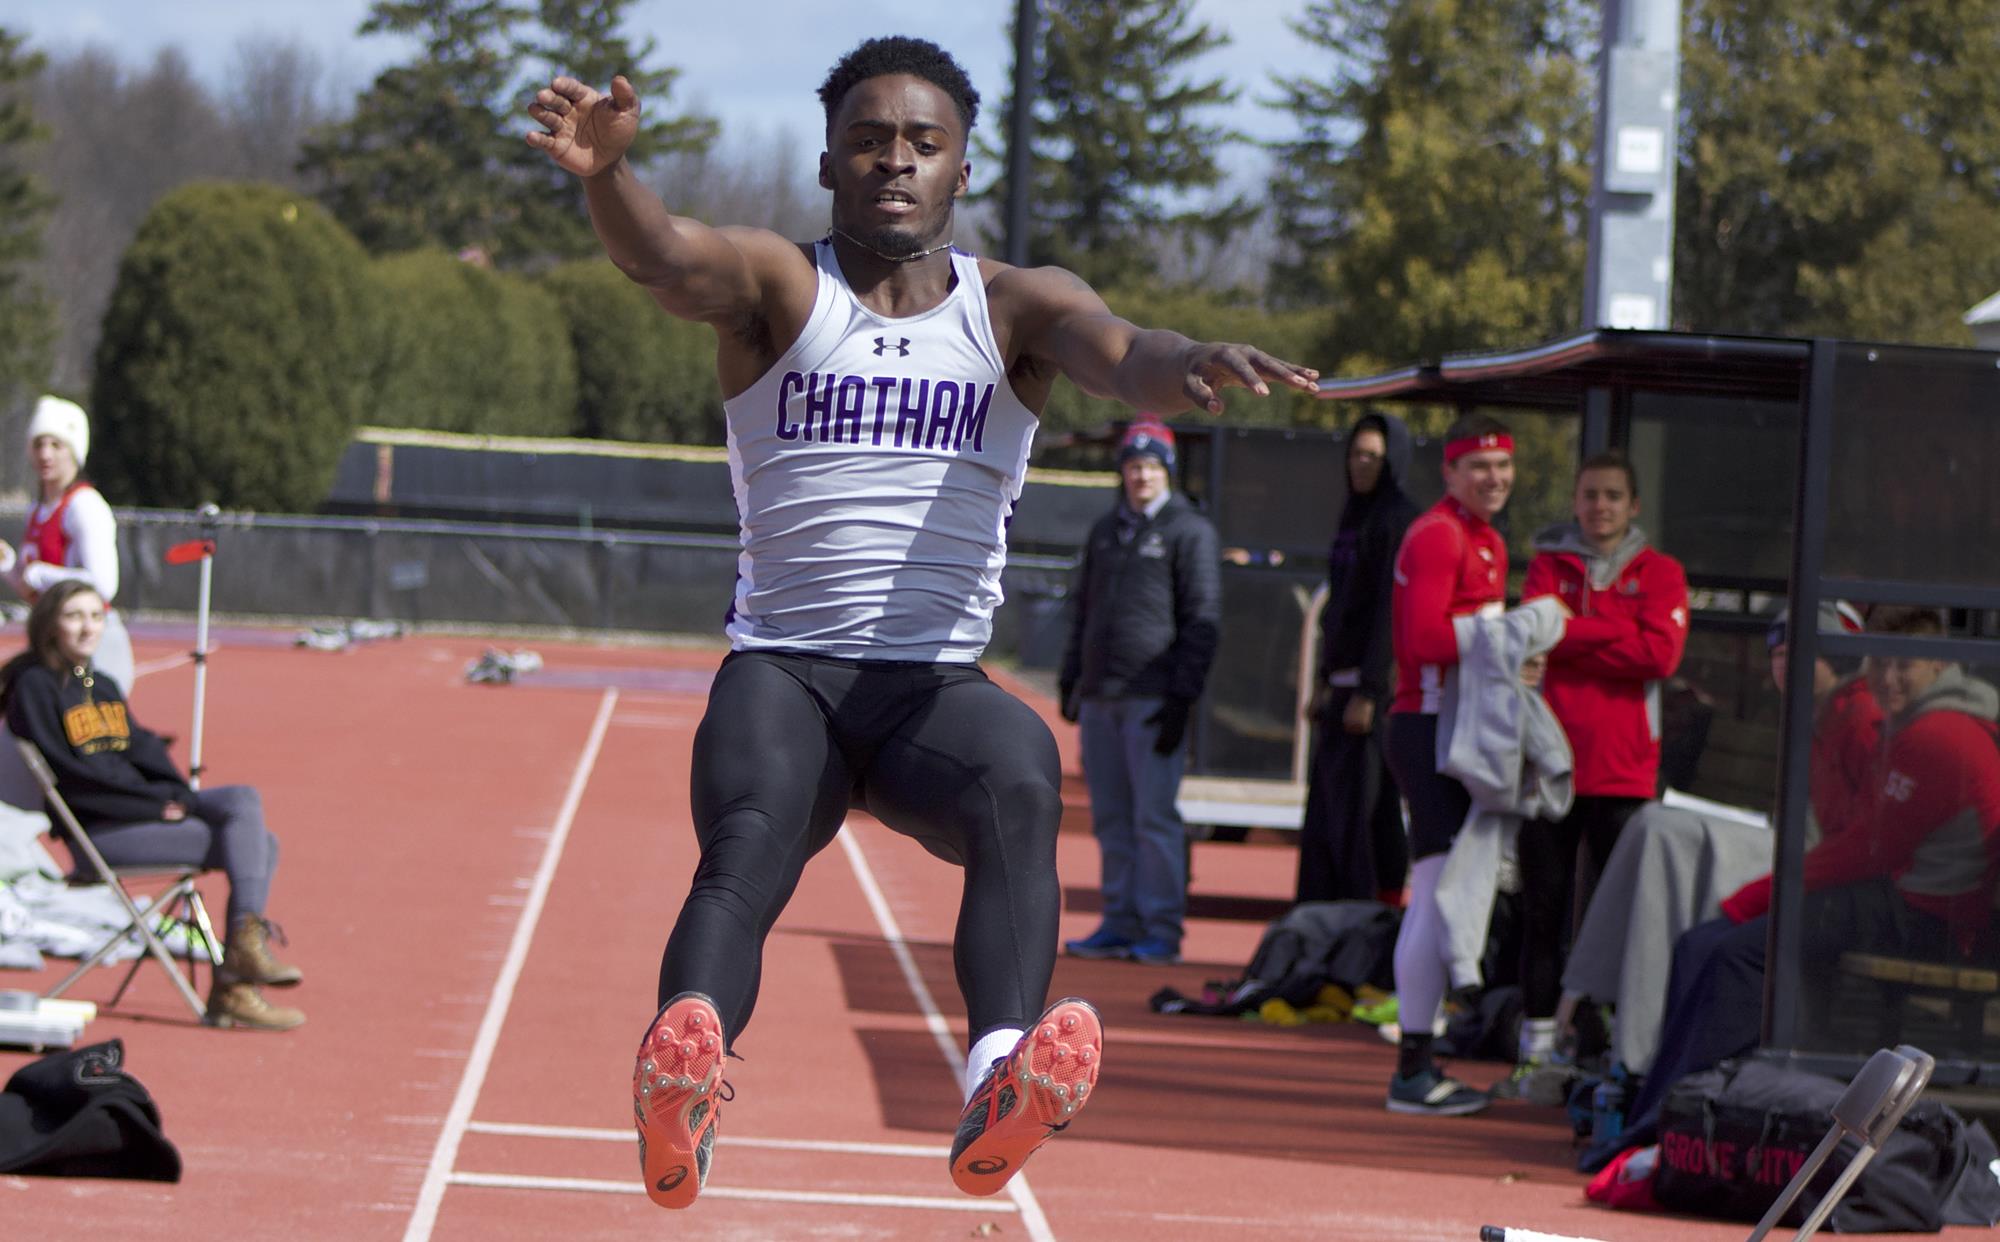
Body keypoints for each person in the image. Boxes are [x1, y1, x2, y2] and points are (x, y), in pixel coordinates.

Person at [524, 36, 1319, 1209]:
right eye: (867, 139)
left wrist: (1189, 360)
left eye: (920, 142)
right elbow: (669, 258)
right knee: (746, 844)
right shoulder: (781, 289)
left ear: (959, 167)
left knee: (1022, 776)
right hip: (785, 677)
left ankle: (1000, 1074)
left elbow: (1123, 355)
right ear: (827, 163)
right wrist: (609, 178)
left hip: (930, 692)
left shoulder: (1014, 308)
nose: (893, 159)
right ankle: (683, 1068)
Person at [1603, 606, 2000, 1158]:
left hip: (1931, 918)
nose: (1888, 679)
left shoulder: (1938, 735)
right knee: (1712, 944)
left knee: (1740, 953)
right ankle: (1663, 1111)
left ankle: (1683, 1123)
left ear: (1938, 664)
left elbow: (1868, 849)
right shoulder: (1912, 724)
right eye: (1879, 664)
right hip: (1906, 901)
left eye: (1904, 665)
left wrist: (1762, 896)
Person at [0, 580, 303, 1031]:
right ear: (49, 624)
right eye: (74, 616)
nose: (88, 628)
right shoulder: (34, 686)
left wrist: (177, 796)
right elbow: (74, 775)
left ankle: (240, 962)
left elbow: (141, 750)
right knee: (258, 838)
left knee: (245, 809)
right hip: (102, 834)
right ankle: (235, 980)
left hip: (139, 813)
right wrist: (154, 803)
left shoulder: (100, 683)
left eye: (96, 617)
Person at [1503, 452, 1688, 1094]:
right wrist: (1616, 633)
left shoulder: (1661, 572)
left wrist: (1571, 635)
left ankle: (1608, 1045)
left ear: (1633, 505)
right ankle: (1536, 1046)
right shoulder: (1549, 566)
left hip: (1624, 770)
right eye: (1590, 495)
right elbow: (1533, 637)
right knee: (1543, 909)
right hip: (1551, 764)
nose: (1600, 506)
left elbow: (1659, 655)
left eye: (1612, 496)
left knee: (1616, 918)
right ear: (1576, 502)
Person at [1380, 414, 1517, 1116]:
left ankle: (1419, 1058)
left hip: (1456, 730)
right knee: (1439, 891)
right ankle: (1412, 1068)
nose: (1494, 478)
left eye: (1503, 466)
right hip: (1431, 729)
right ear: (1451, 472)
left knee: (1444, 891)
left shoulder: (1486, 538)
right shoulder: (1439, 533)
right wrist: (1509, 634)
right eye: (1479, 467)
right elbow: (1423, 640)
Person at [1058, 418, 1220, 966]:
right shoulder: (1106, 531)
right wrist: (1072, 676)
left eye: (1150, 466)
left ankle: (1161, 929)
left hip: (1153, 701)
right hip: (1102, 696)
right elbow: (1083, 609)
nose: (1141, 476)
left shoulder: (1190, 531)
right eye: (1132, 466)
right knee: (1111, 818)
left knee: (1154, 819)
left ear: (1166, 471)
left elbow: (1203, 620)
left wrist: (1181, 699)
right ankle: (1119, 921)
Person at [1295, 412, 1418, 906]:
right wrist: (1323, 682)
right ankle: (1321, 914)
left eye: (1372, 456)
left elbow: (1390, 610)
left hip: (1373, 700)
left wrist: (1370, 690)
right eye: (1355, 454)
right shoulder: (1353, 515)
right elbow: (1342, 609)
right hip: (1340, 689)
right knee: (1328, 815)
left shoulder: (1398, 519)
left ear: (1392, 461)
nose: (1361, 464)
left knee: (1366, 819)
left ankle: (1366, 917)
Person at [0, 397, 134, 697]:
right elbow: (31, 587)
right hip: (53, 642)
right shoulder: (37, 509)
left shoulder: (84, 505)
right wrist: (7, 566)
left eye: (56, 445)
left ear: (74, 450)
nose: (45, 454)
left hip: (91, 641)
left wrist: (39, 573)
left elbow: (103, 585)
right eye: (38, 444)